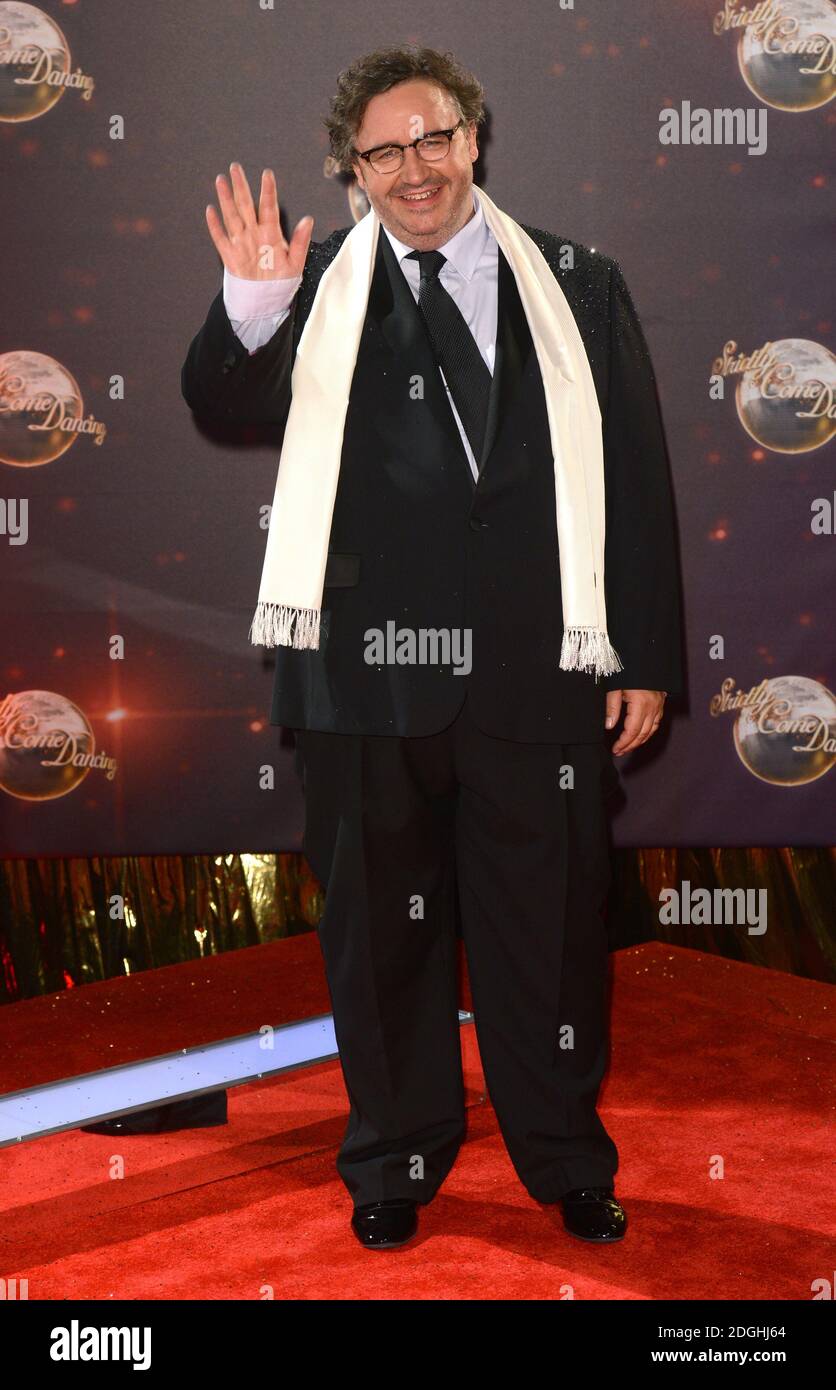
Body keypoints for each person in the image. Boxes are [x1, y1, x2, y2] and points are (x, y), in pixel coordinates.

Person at [181, 45, 684, 1250]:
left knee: (551, 935)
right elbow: (220, 396)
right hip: (363, 677)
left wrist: (644, 652)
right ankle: (394, 1158)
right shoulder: (309, 293)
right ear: (353, 172)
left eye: (434, 136)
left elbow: (634, 480)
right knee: (381, 940)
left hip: (536, 668)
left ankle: (563, 1155)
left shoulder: (578, 281)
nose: (414, 166)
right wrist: (249, 300)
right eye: (384, 149)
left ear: (474, 138)